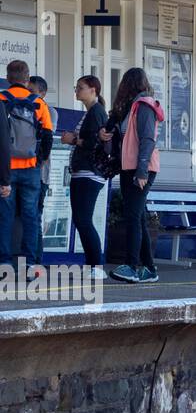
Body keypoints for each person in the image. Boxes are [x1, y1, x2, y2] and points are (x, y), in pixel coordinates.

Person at [102, 67, 165, 283]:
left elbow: (148, 139)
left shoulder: (144, 106)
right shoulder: (131, 107)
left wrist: (141, 170)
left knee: (132, 217)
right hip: (130, 167)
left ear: (128, 84)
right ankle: (149, 269)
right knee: (136, 217)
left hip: (140, 168)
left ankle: (131, 266)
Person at [0, 60, 54, 280]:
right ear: (27, 78)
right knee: (31, 217)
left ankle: (4, 264)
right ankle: (29, 264)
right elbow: (48, 137)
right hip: (31, 169)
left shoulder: (1, 99)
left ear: (8, 77)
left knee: (5, 216)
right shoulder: (39, 104)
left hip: (5, 169)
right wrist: (39, 160)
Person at [60, 75, 110, 279]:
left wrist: (74, 140)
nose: (76, 91)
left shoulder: (96, 112)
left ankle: (96, 266)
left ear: (93, 90)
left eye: (80, 87)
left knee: (83, 219)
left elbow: (94, 143)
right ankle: (93, 265)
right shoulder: (91, 112)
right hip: (83, 172)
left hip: (89, 172)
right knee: (82, 219)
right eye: (76, 87)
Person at [29, 75, 52, 264]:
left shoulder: (48, 111)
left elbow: (47, 140)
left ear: (43, 93)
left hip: (39, 175)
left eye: (32, 92)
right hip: (26, 172)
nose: (28, 96)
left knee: (34, 217)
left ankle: (35, 261)